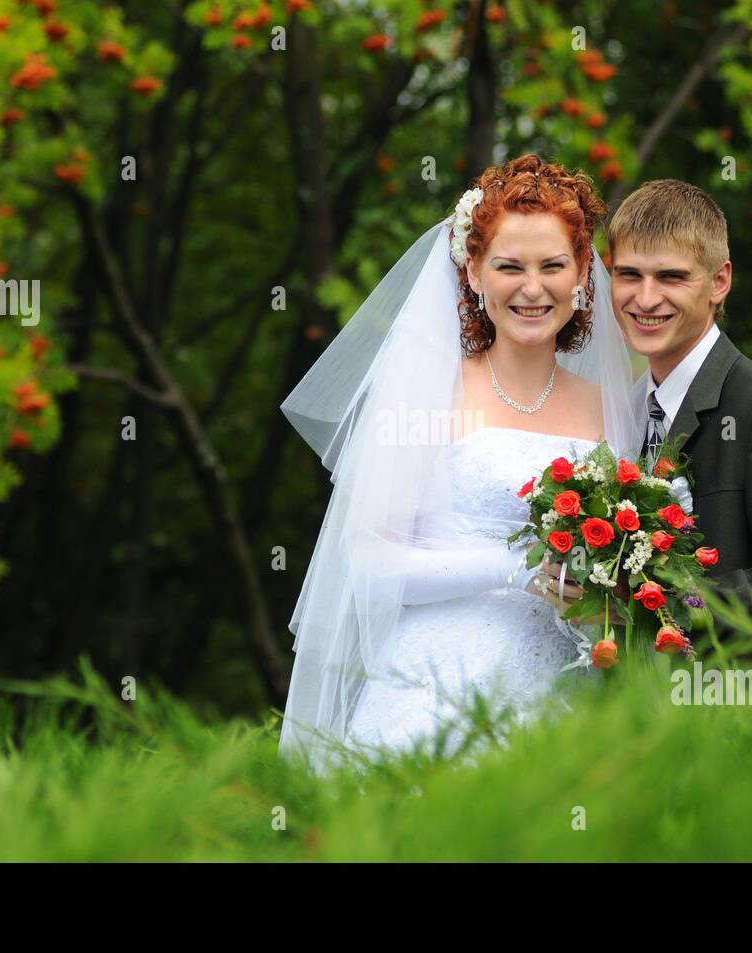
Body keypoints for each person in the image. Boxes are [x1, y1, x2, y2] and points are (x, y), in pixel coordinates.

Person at [277, 155, 647, 774]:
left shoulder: (616, 408)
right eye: (510, 266)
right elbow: (369, 565)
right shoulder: (425, 395)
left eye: (554, 265)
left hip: (571, 697)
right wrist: (514, 568)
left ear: (584, 272)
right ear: (473, 271)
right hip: (435, 692)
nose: (533, 288)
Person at [533, 178, 752, 632]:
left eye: (671, 276)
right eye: (629, 275)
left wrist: (657, 602)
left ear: (719, 281)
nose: (645, 298)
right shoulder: (621, 413)